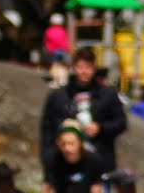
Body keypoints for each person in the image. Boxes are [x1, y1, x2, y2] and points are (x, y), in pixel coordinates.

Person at [39, 47, 129, 178]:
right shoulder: (59, 96)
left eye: (88, 67)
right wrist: (48, 155)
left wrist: (100, 128)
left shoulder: (107, 94)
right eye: (80, 67)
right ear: (74, 68)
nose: (84, 72)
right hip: (65, 161)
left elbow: (121, 122)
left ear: (94, 68)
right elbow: (47, 127)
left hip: (99, 158)